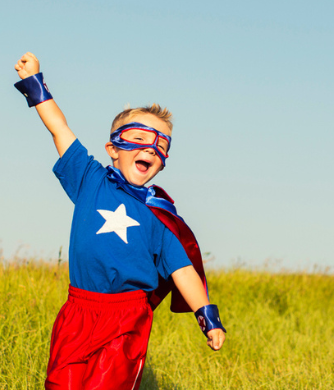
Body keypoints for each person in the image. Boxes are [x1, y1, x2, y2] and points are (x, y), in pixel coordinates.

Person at [12, 52, 226, 390]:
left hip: (127, 317)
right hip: (78, 311)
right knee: (61, 384)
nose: (151, 148)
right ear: (113, 148)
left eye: (161, 145)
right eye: (140, 139)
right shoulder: (90, 179)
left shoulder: (159, 217)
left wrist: (207, 315)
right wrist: (34, 82)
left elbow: (183, 270)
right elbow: (59, 128)